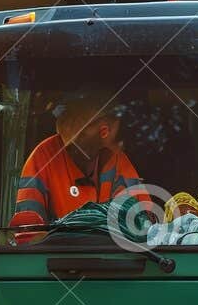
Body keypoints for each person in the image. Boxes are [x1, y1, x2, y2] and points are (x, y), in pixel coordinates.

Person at [9, 92, 149, 233]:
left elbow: (141, 228)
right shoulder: (43, 157)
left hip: (111, 253)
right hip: (56, 253)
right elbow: (27, 232)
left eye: (81, 132)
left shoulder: (117, 160)